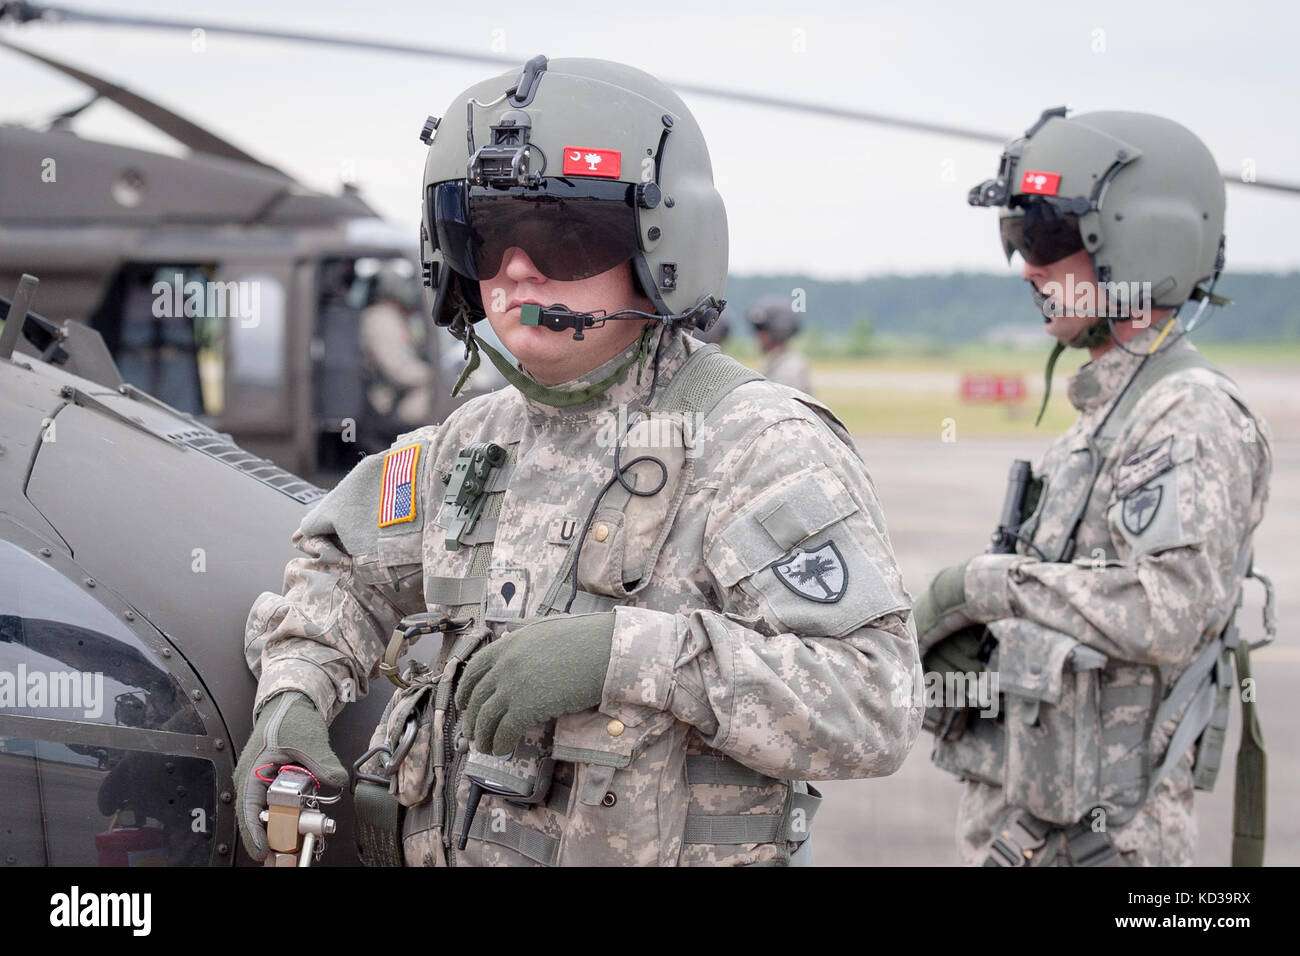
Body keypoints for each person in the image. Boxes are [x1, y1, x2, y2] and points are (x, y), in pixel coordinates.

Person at [235, 55, 922, 867]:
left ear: (661, 245)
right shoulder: (470, 440)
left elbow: (874, 701)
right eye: (486, 237)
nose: (517, 269)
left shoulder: (755, 444)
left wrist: (627, 658)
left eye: (564, 234)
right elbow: (338, 571)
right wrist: (292, 697)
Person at [915, 107, 1273, 866]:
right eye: (1016, 239)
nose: (1028, 268)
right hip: (1035, 832)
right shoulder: (1111, 408)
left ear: (1138, 244)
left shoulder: (1189, 413)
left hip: (1104, 847)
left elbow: (1165, 608)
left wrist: (980, 587)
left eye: (1046, 238)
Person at [359, 261, 433, 430]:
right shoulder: (381, 319)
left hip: (395, 395)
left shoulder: (393, 317)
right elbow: (401, 372)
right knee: (432, 393)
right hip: (386, 402)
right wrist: (438, 377)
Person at [747, 294, 814, 394]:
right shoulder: (773, 363)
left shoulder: (791, 369)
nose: (758, 335)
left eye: (762, 328)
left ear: (779, 330)